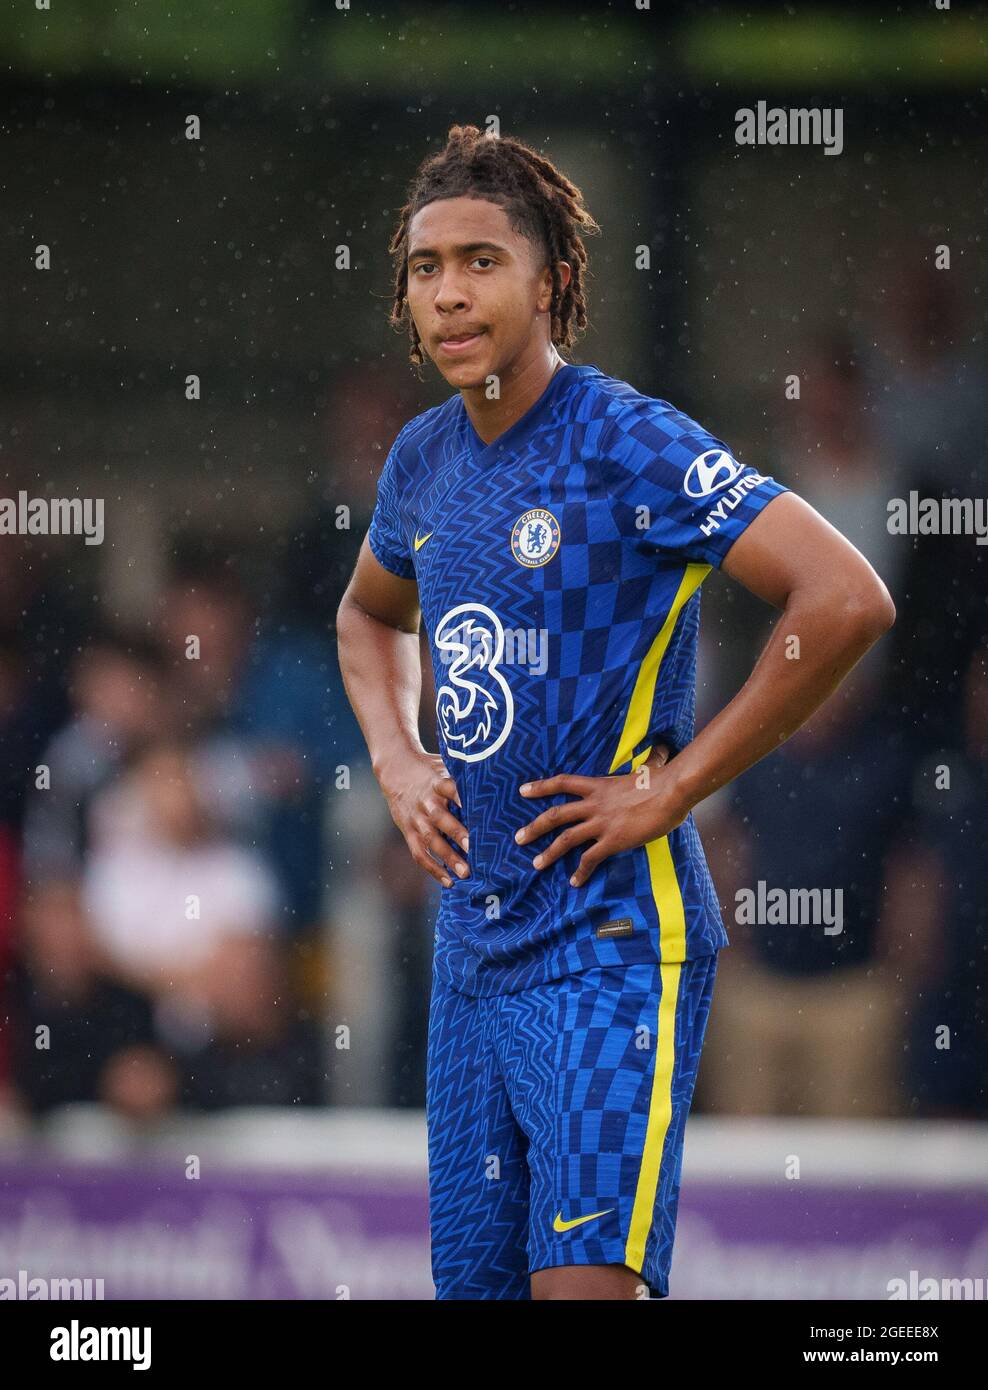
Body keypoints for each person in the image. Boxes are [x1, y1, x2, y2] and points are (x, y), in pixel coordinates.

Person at [336, 125, 895, 1301]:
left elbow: (842, 597)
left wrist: (676, 786)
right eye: (425, 266)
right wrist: (395, 757)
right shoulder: (422, 461)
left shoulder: (623, 441)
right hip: (473, 948)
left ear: (550, 282)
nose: (447, 292)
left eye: (481, 260)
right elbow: (365, 618)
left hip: (606, 943)